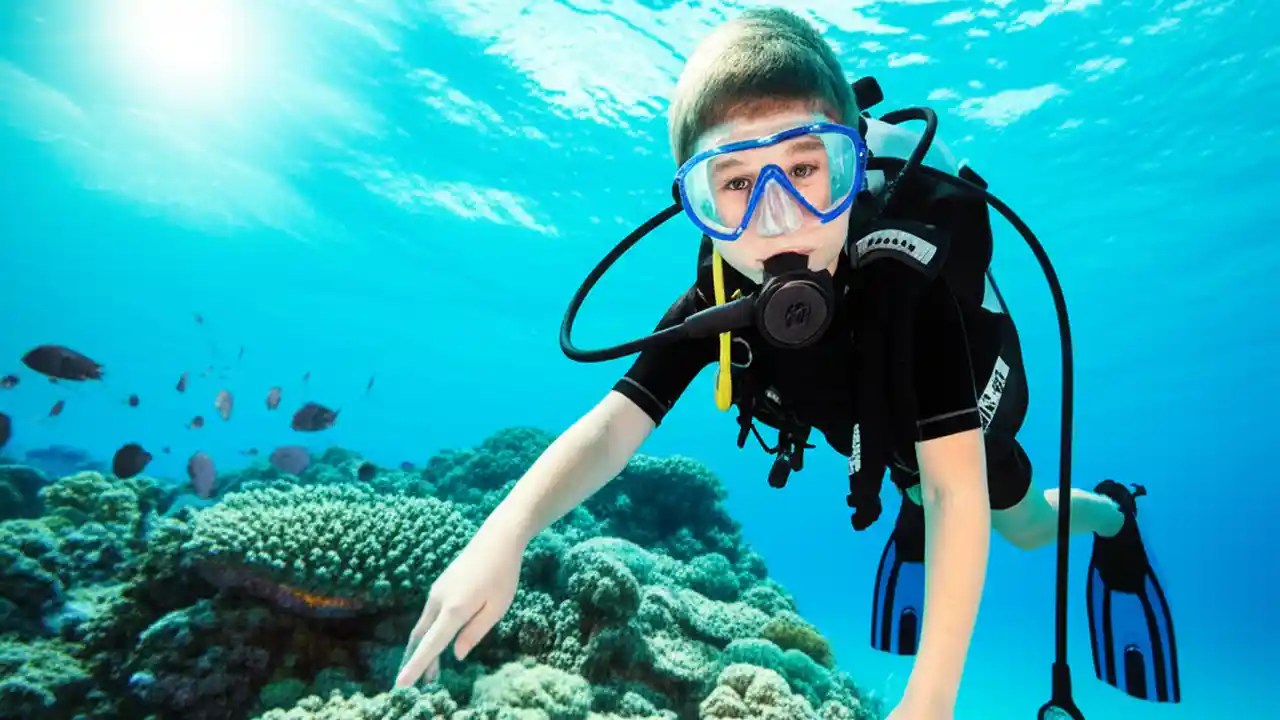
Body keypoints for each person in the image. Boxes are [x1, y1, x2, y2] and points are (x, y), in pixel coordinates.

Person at [395, 7, 1179, 717]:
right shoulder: (718, 295)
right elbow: (612, 430)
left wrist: (929, 702)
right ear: (695, 204)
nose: (779, 219)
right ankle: (902, 494)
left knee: (1027, 527)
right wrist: (501, 536)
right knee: (914, 481)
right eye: (732, 184)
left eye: (807, 169)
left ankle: (1113, 514)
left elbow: (954, 491)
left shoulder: (910, 286)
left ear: (851, 165)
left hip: (967, 422)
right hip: (885, 439)